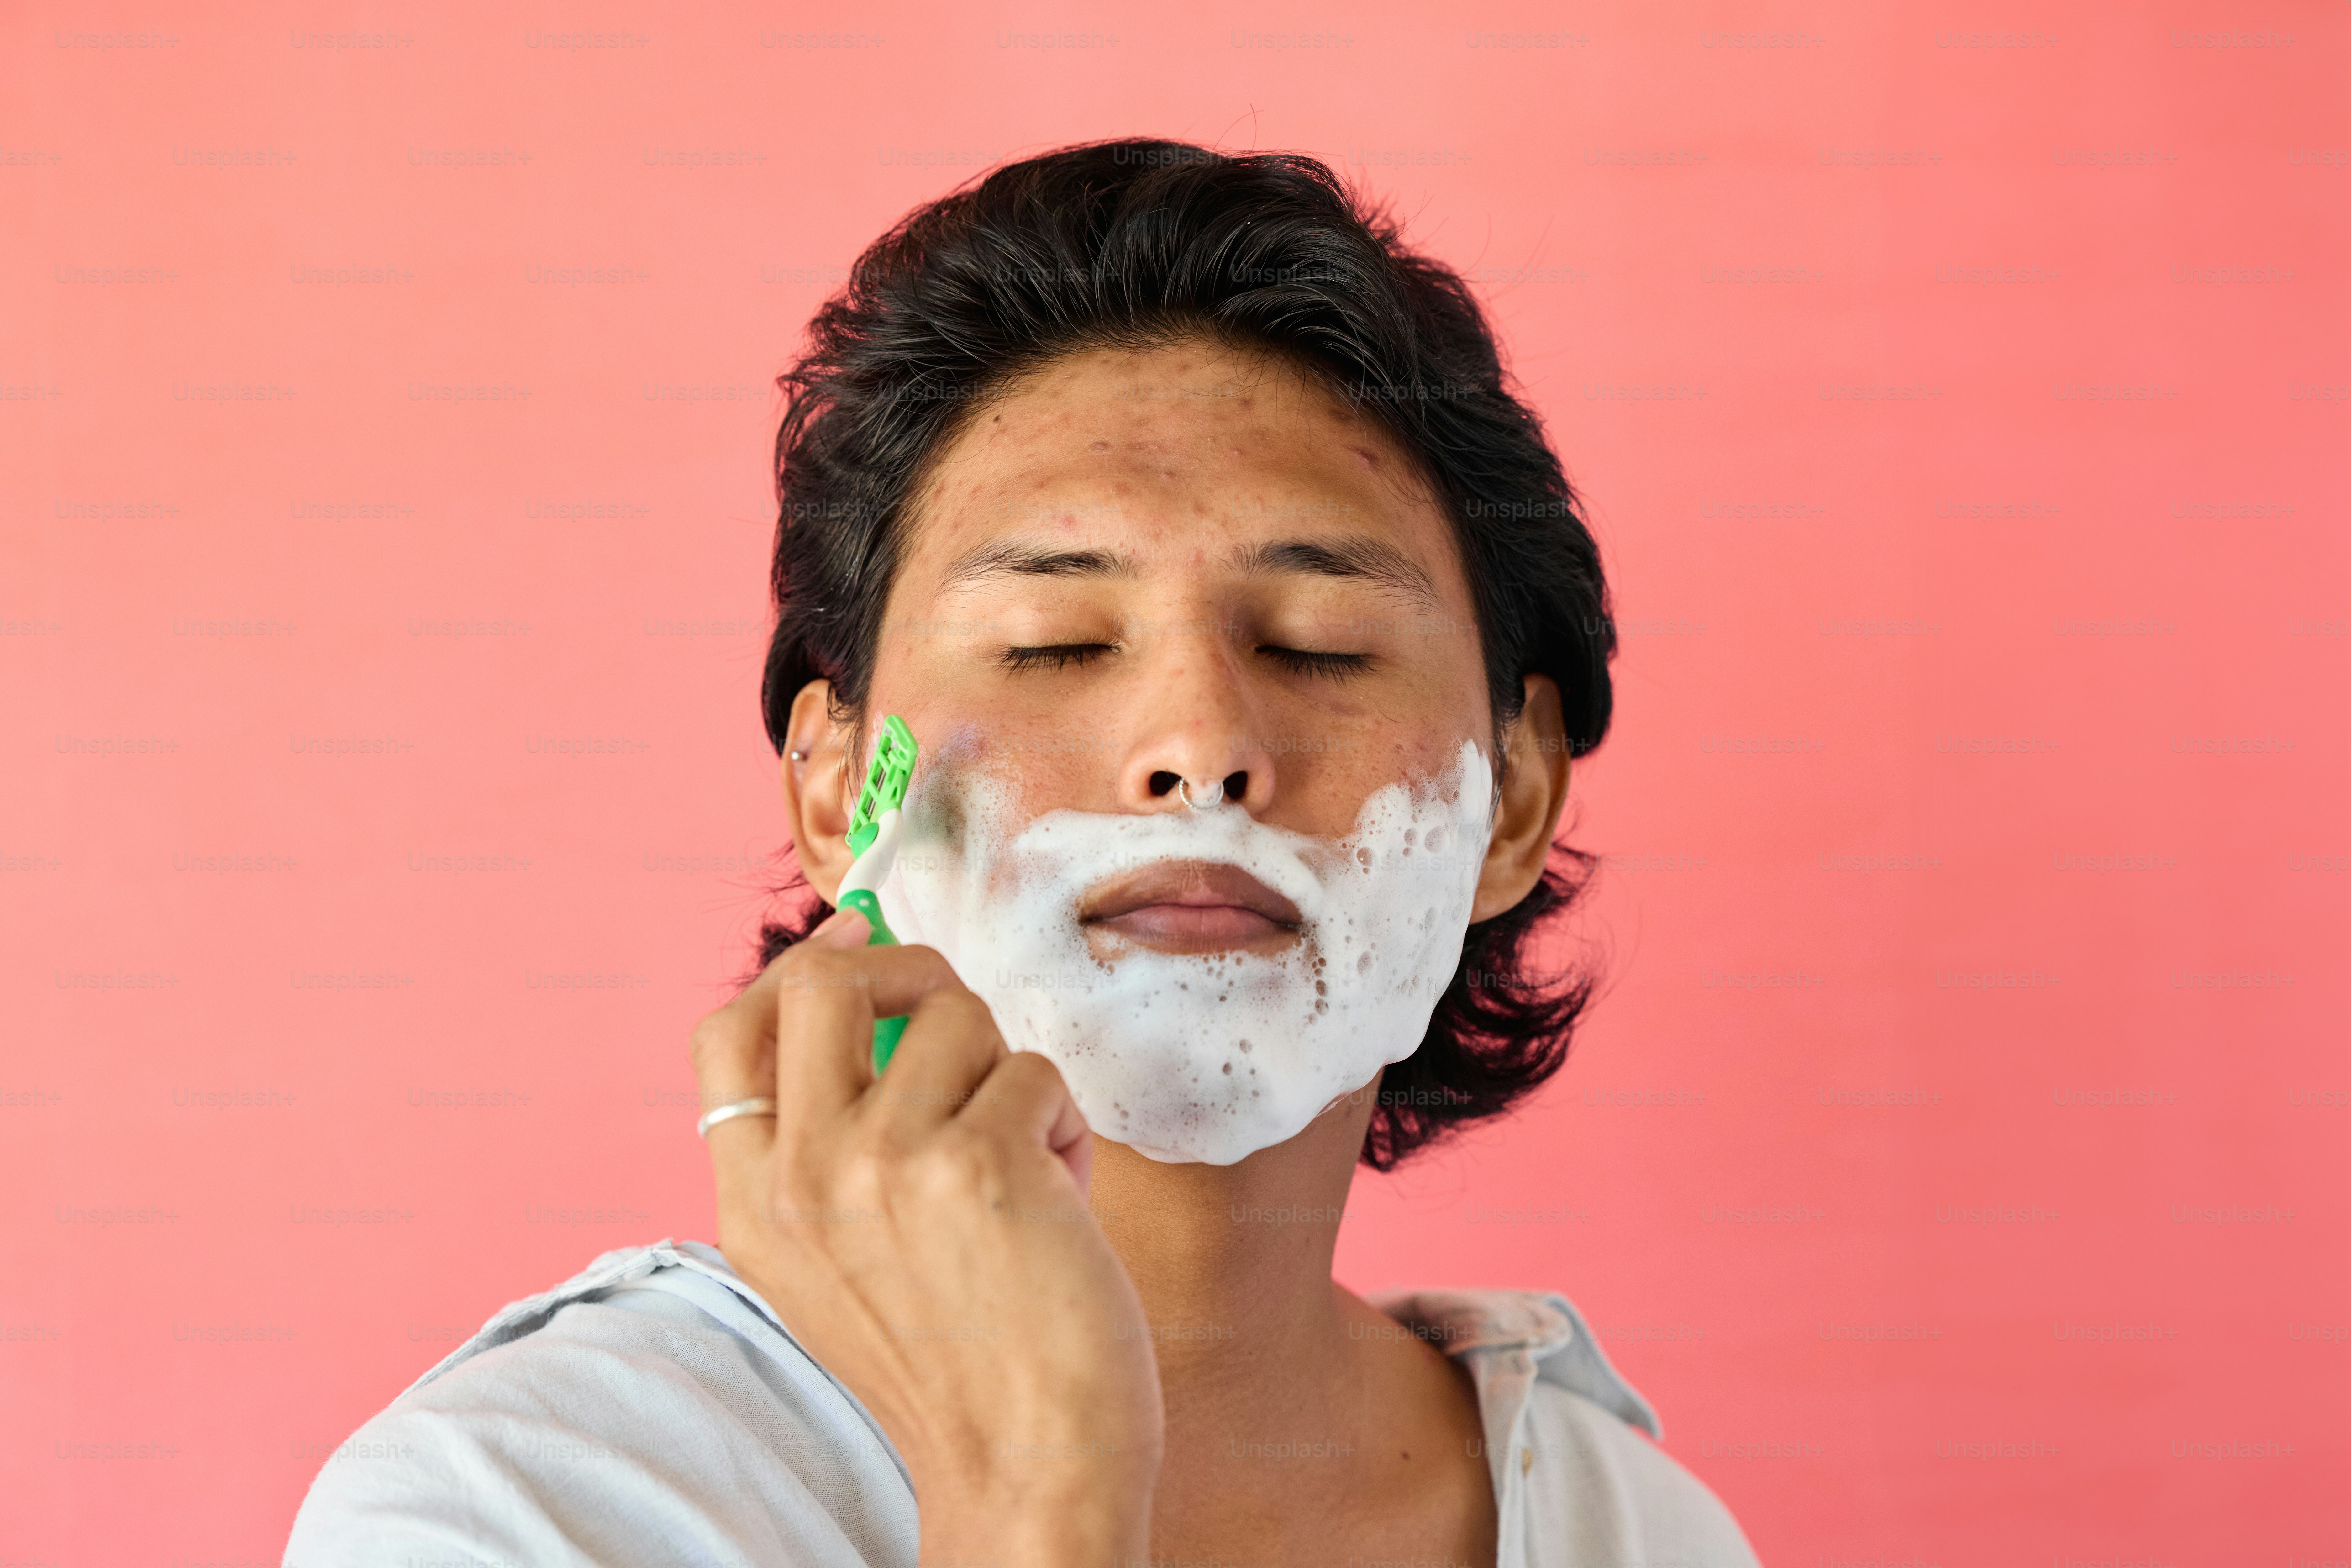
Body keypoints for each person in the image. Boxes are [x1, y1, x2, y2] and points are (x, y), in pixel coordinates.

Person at [287, 138, 1759, 1568]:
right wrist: (1037, 1487)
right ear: (841, 789)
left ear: (1510, 794)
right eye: (1054, 642)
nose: (1198, 745)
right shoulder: (527, 1507)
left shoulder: (1635, 1532)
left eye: (1320, 644)